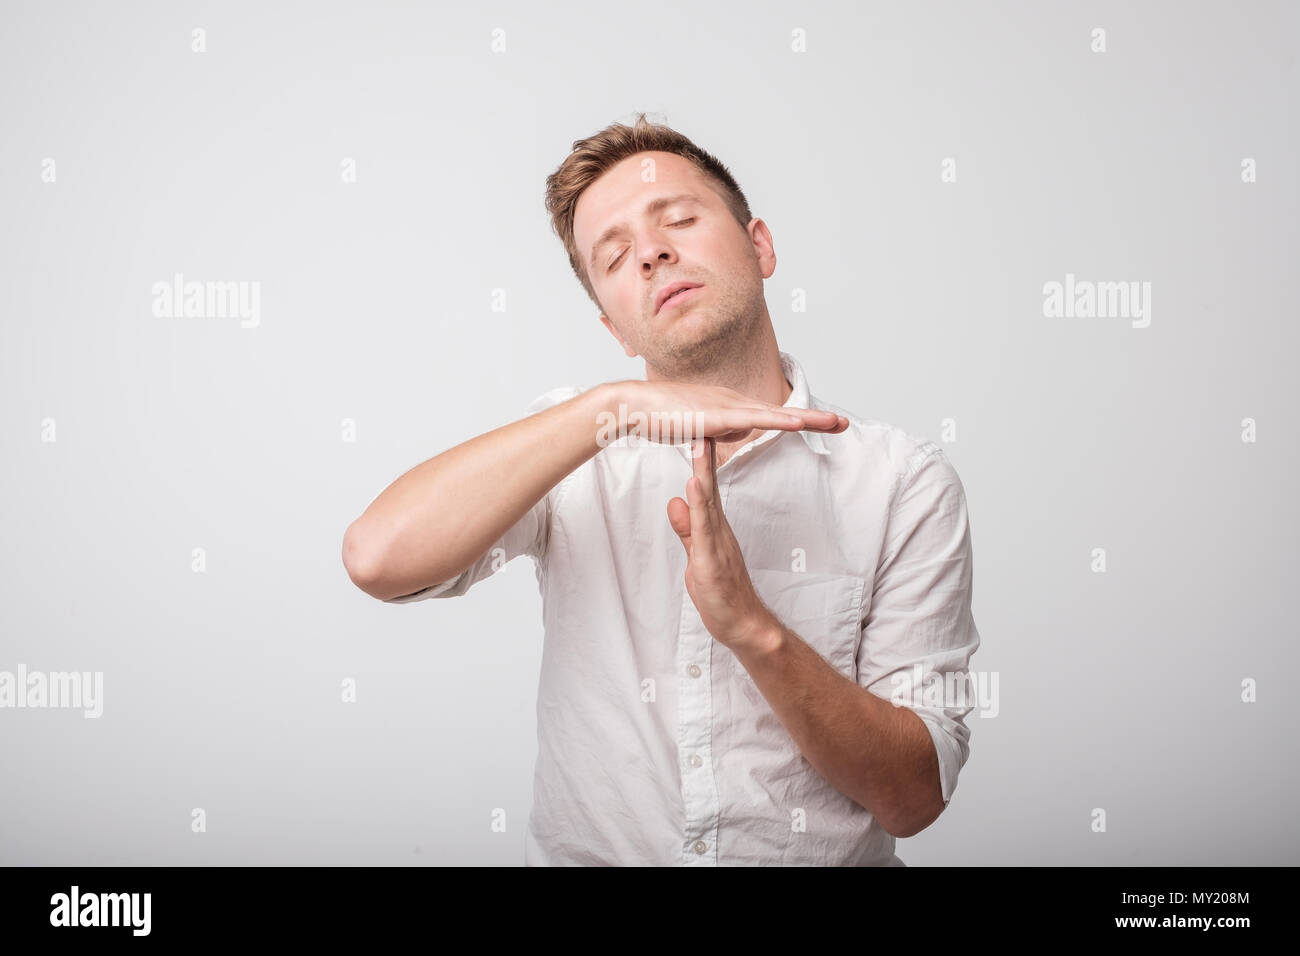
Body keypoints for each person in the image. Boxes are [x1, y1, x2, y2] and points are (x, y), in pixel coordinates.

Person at [342, 114, 981, 866]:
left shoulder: (902, 483)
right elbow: (377, 558)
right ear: (614, 328)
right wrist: (613, 411)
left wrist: (751, 626)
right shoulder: (572, 450)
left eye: (678, 218)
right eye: (614, 257)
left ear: (760, 245)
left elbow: (912, 797)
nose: (650, 252)